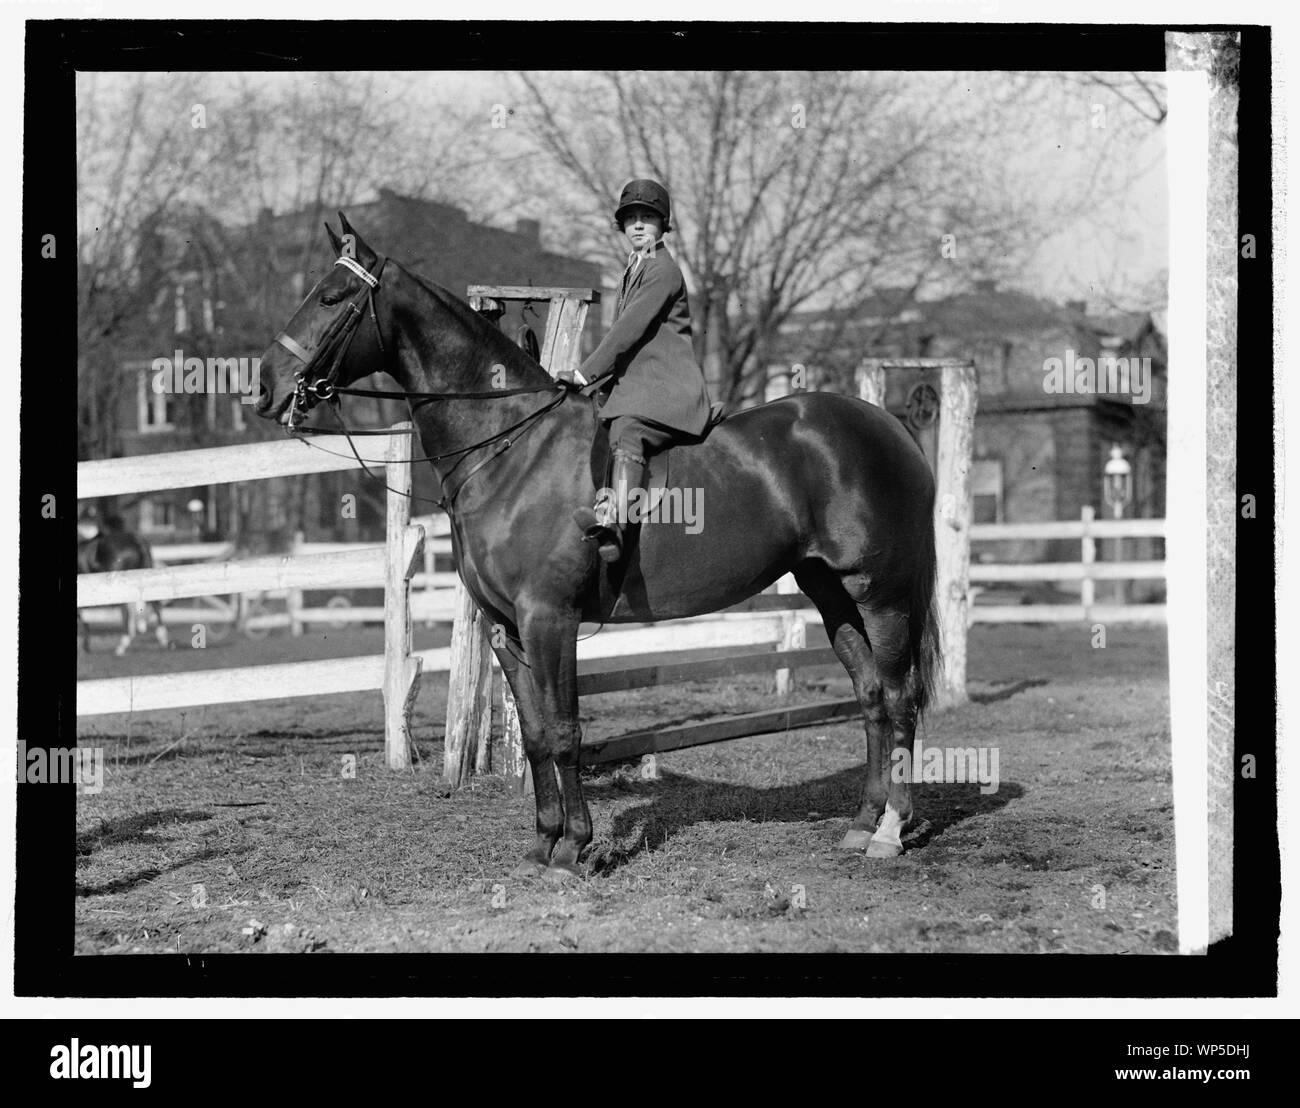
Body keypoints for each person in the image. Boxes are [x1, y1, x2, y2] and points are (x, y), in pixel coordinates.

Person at [572, 179, 712, 563]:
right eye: (630, 218)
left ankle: (615, 525)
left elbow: (626, 331)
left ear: (663, 225)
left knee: (627, 429)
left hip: (667, 390)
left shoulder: (662, 270)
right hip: (642, 384)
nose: (637, 225)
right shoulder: (635, 268)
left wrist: (584, 374)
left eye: (647, 218)